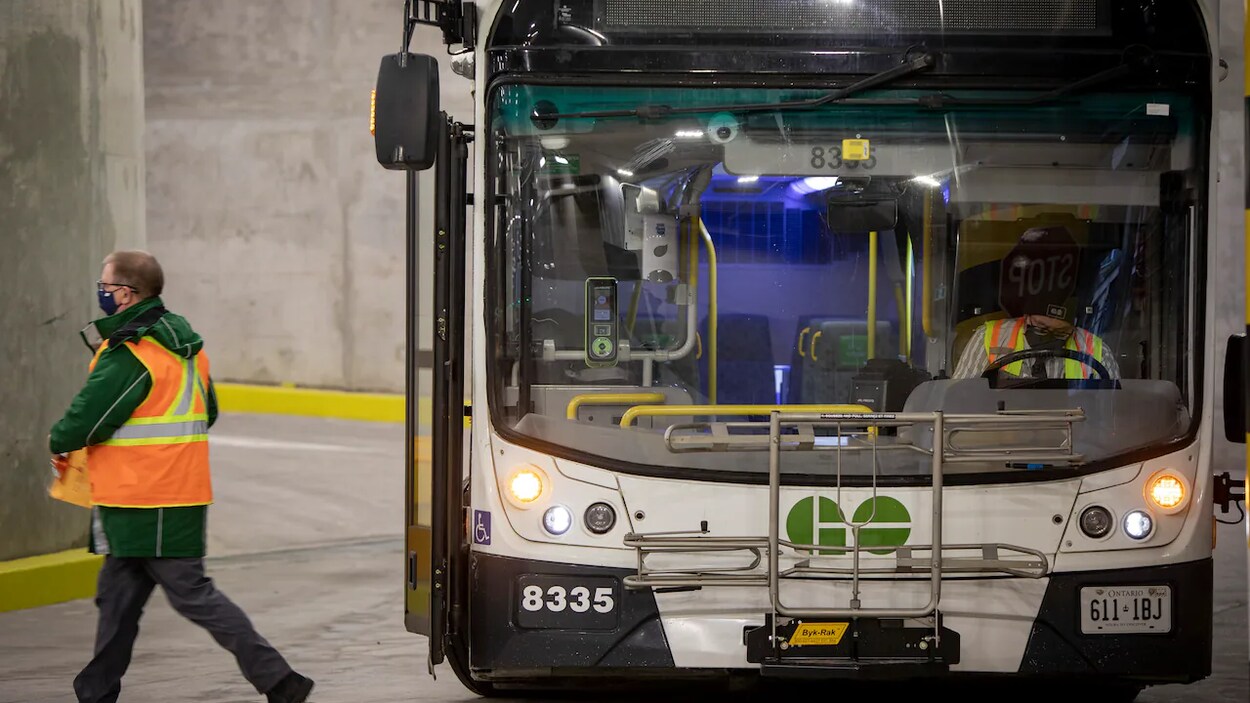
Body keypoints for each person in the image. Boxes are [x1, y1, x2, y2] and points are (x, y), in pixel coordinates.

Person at [48, 251, 315, 703]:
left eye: (105, 287)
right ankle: (94, 691)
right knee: (117, 599)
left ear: (126, 294)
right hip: (169, 496)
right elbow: (205, 412)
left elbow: (84, 422)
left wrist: (59, 439)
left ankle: (280, 680)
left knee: (193, 596)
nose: (101, 294)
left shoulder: (133, 355)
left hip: (145, 501)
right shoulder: (188, 349)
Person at [952, 225, 1120, 381]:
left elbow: (1113, 409)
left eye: (1060, 331)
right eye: (1040, 326)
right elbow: (958, 400)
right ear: (1027, 314)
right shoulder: (987, 341)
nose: (1048, 335)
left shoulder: (1097, 353)